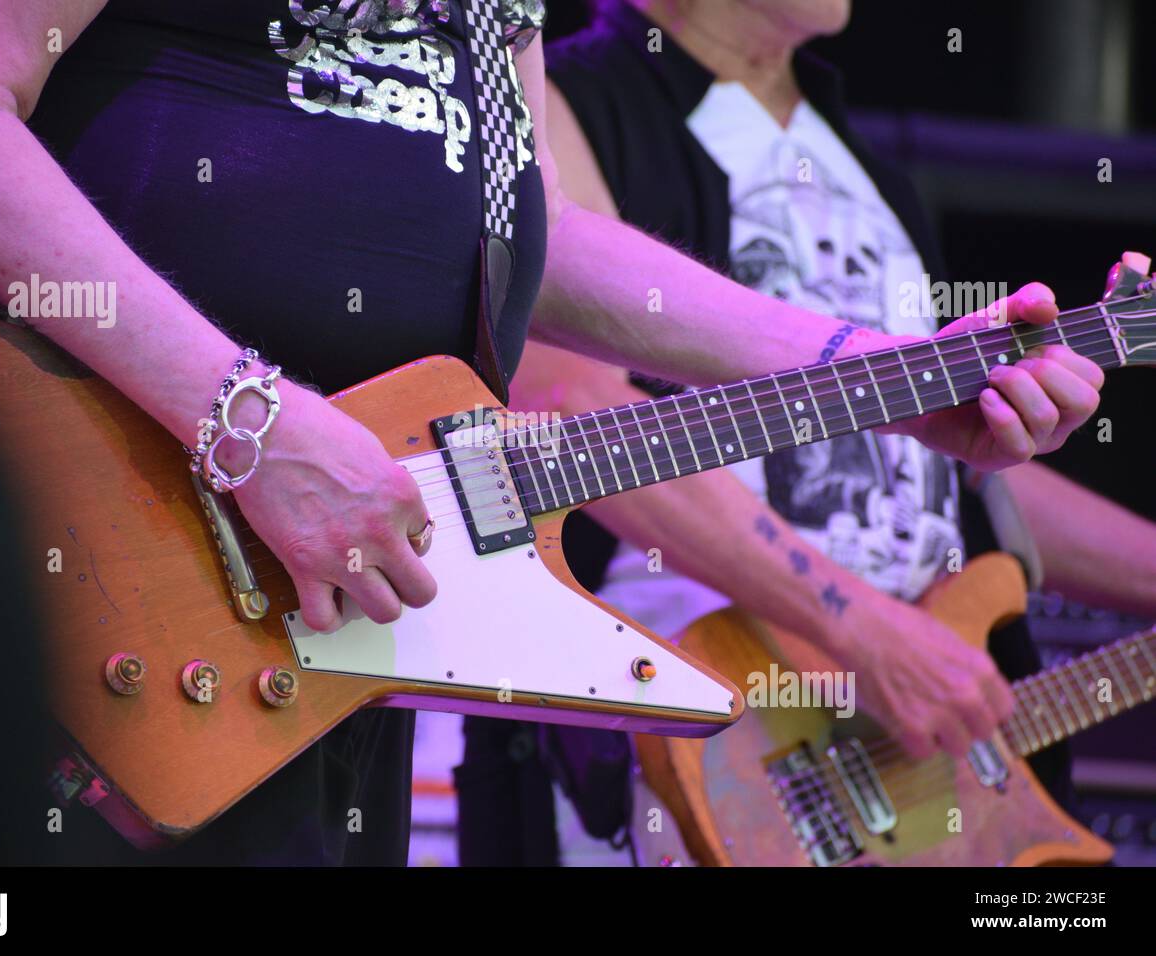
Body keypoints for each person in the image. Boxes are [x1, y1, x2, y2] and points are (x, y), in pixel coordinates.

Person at [0, 0, 1104, 865]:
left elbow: (532, 231)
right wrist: (241, 414)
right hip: (70, 572)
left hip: (332, 637)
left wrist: (867, 370)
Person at [459, 0, 1156, 864]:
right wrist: (858, 627)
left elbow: (943, 467)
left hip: (890, 763)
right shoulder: (556, 98)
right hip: (676, 759)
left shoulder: (866, 167)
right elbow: (567, 403)